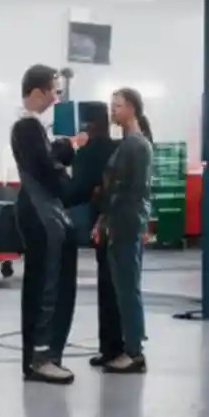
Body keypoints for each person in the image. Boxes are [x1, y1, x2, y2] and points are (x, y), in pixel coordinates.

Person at [11, 64, 87, 385]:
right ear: (39, 91)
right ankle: (42, 357)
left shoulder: (31, 129)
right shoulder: (27, 127)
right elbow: (46, 167)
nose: (56, 98)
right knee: (48, 287)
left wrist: (67, 147)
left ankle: (41, 356)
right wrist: (80, 183)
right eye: (55, 91)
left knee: (46, 284)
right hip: (43, 218)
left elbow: (47, 157)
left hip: (44, 215)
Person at [94, 87, 153, 374]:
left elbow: (134, 190)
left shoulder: (136, 146)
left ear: (131, 107)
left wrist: (121, 222)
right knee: (123, 287)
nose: (112, 111)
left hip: (126, 223)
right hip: (121, 222)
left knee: (128, 288)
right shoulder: (129, 144)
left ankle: (134, 352)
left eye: (116, 106)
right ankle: (129, 347)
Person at [61, 103, 123, 367]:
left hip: (104, 223)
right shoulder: (120, 147)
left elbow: (76, 191)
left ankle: (112, 349)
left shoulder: (89, 152)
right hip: (125, 222)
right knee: (121, 287)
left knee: (108, 287)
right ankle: (121, 347)